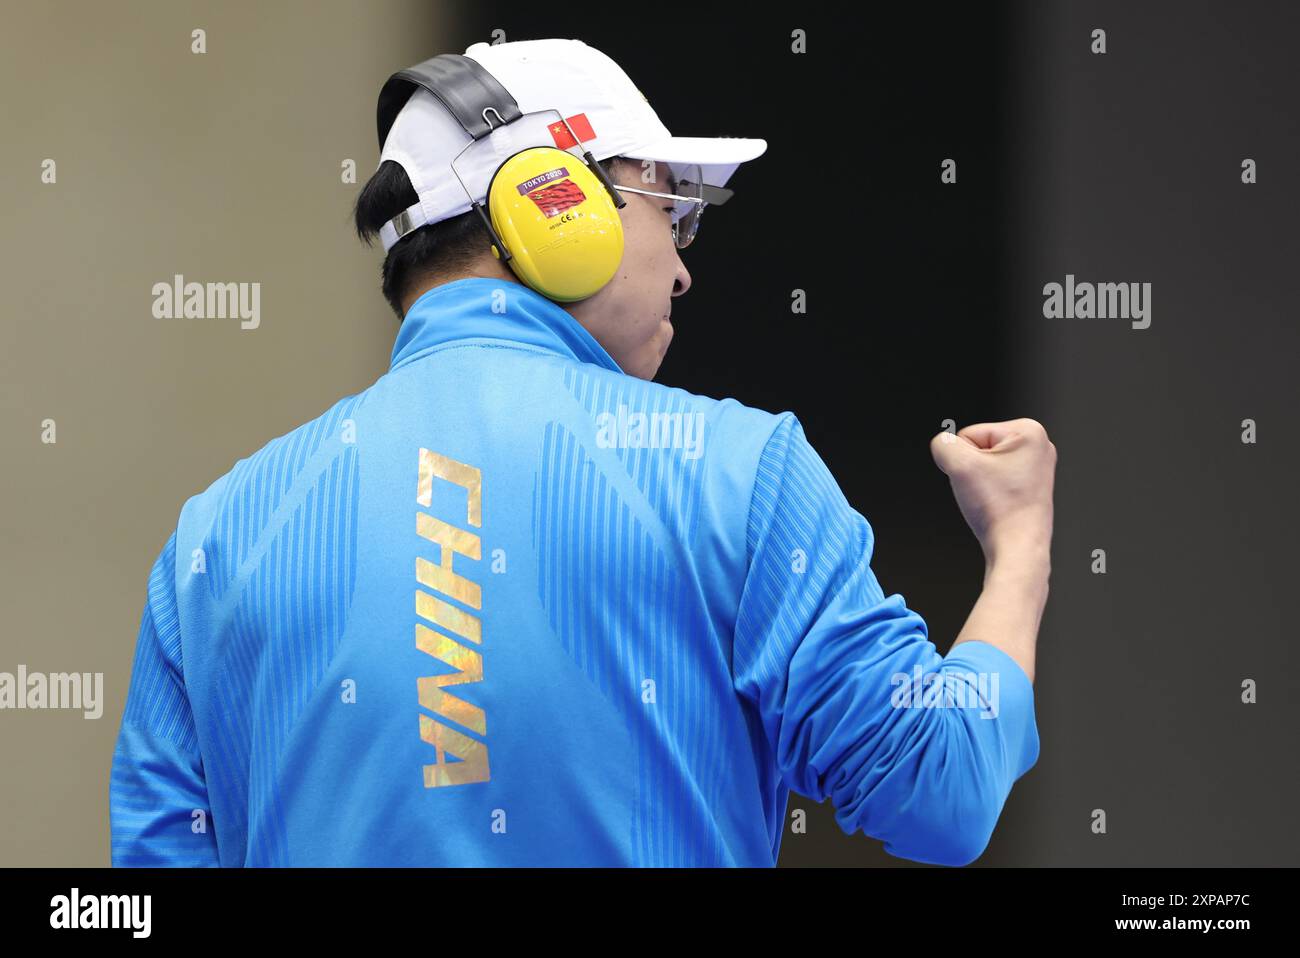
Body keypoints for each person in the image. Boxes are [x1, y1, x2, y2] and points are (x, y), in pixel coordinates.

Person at [110, 37, 1055, 868]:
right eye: (670, 210)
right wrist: (1018, 548)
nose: (685, 266)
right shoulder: (737, 472)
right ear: (551, 202)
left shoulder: (215, 538)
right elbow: (943, 787)